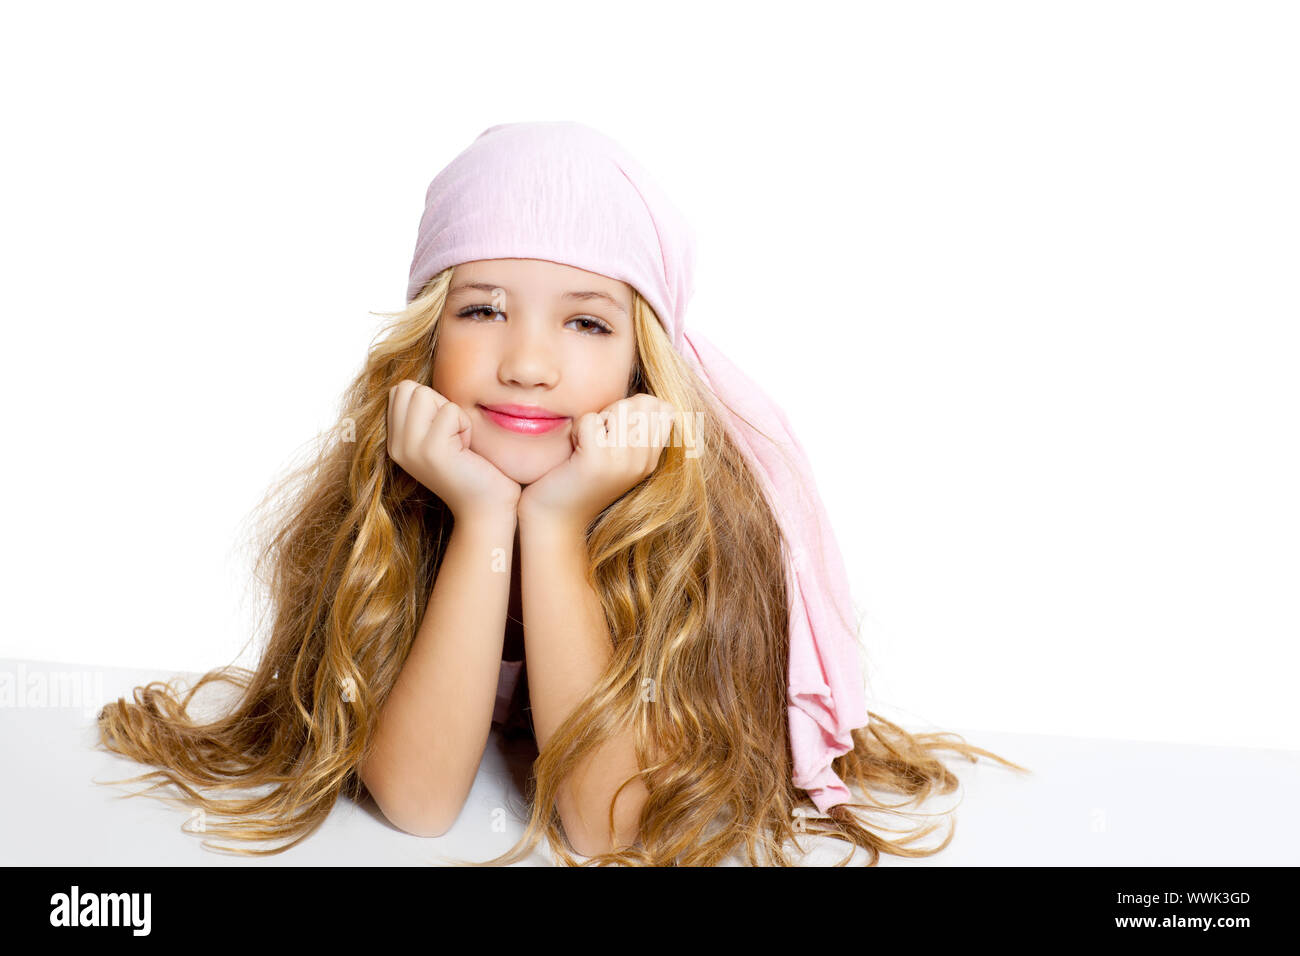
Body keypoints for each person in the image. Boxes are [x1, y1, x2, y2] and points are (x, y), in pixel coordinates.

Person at [95, 121, 1028, 866]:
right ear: (428, 337)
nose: (529, 365)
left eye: (586, 321)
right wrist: (483, 514)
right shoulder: (392, 496)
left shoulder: (697, 520)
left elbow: (603, 825)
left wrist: (555, 518)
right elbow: (419, 807)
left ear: (639, 364)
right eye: (483, 308)